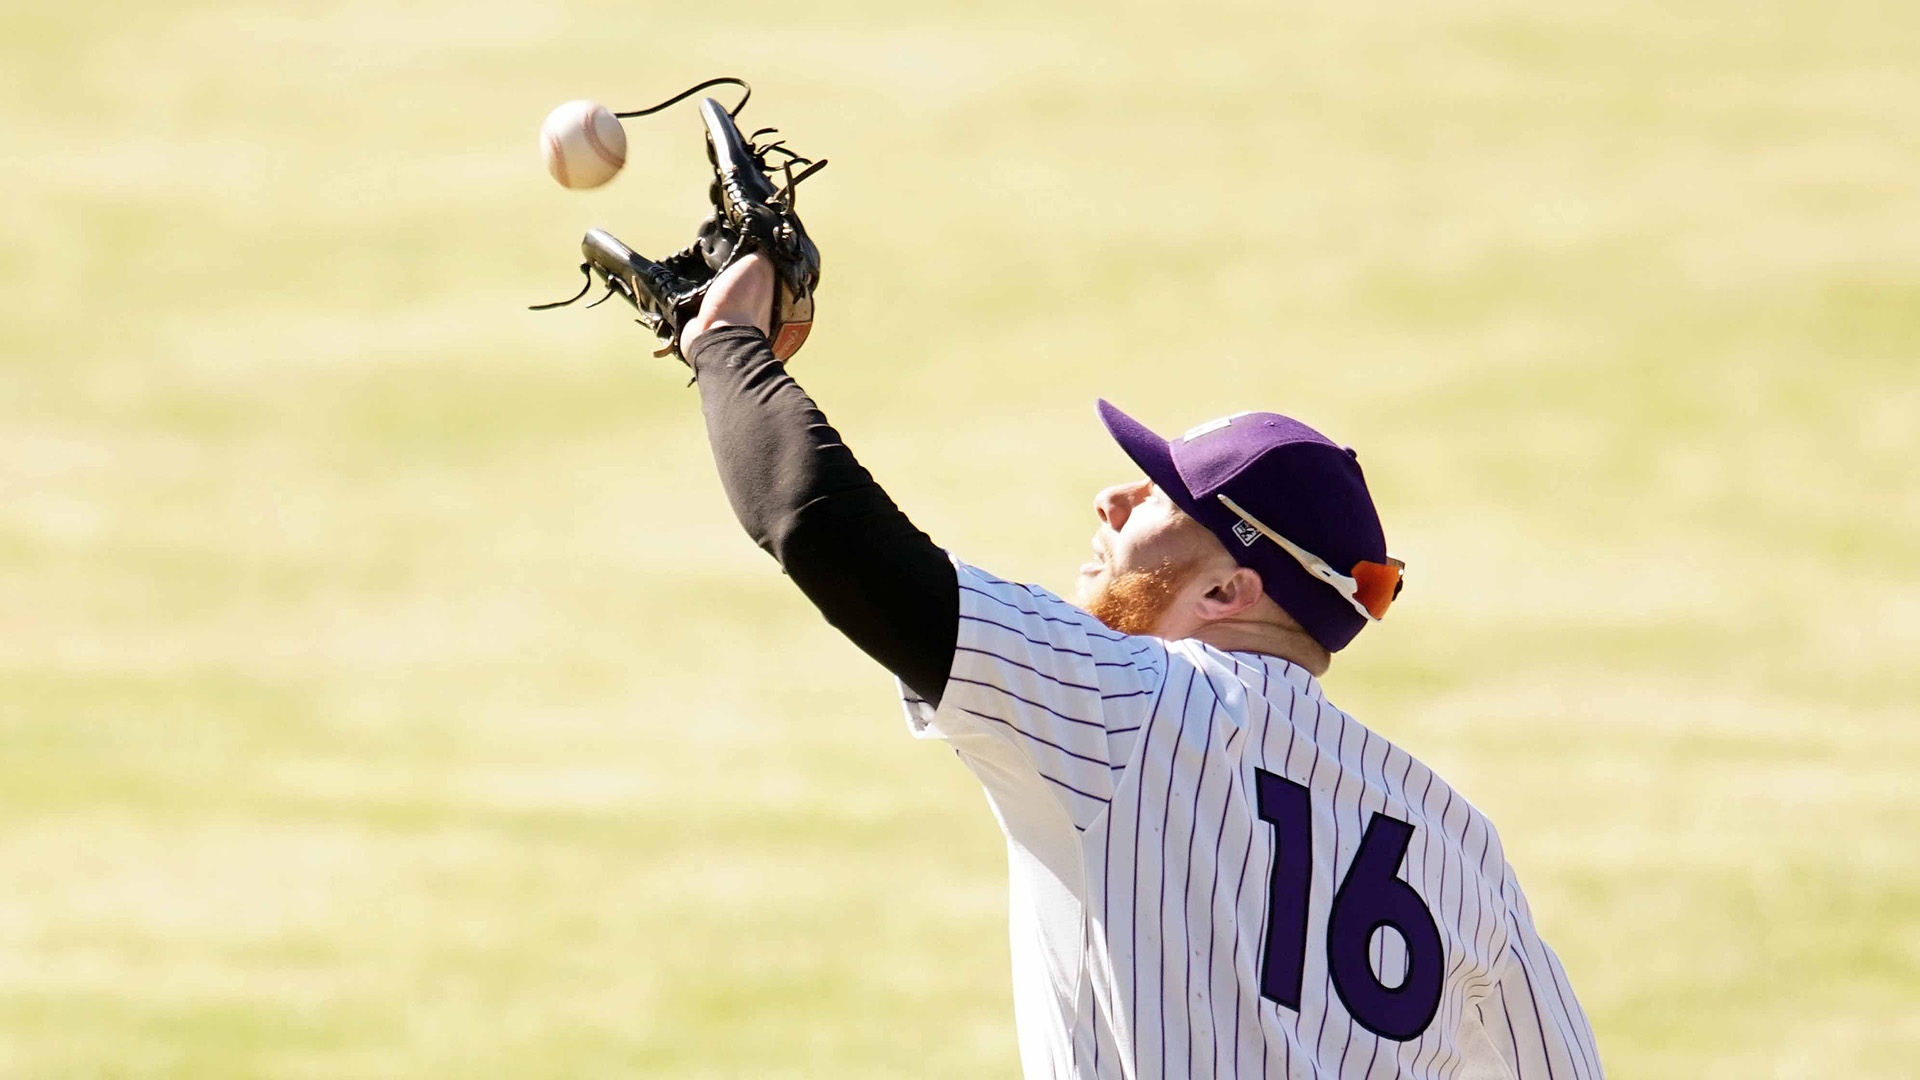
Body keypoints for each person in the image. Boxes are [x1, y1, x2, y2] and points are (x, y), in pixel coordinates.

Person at [663, 252, 1604, 1079]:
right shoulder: (1454, 842)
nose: (1112, 497)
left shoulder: (1138, 708)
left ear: (1231, 592)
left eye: (1163, 495)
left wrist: (729, 341)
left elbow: (823, 528)